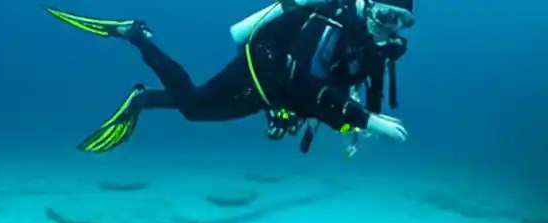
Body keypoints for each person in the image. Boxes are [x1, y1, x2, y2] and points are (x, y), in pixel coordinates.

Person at [44, 0, 415, 155]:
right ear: (368, 4)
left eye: (402, 20)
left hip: (276, 94)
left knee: (196, 104)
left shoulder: (373, 44)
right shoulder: (330, 26)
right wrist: (366, 121)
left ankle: (145, 97)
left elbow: (364, 87)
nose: (391, 27)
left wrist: (359, 128)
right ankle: (136, 36)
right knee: (192, 107)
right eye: (387, 14)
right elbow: (304, 86)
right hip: (259, 72)